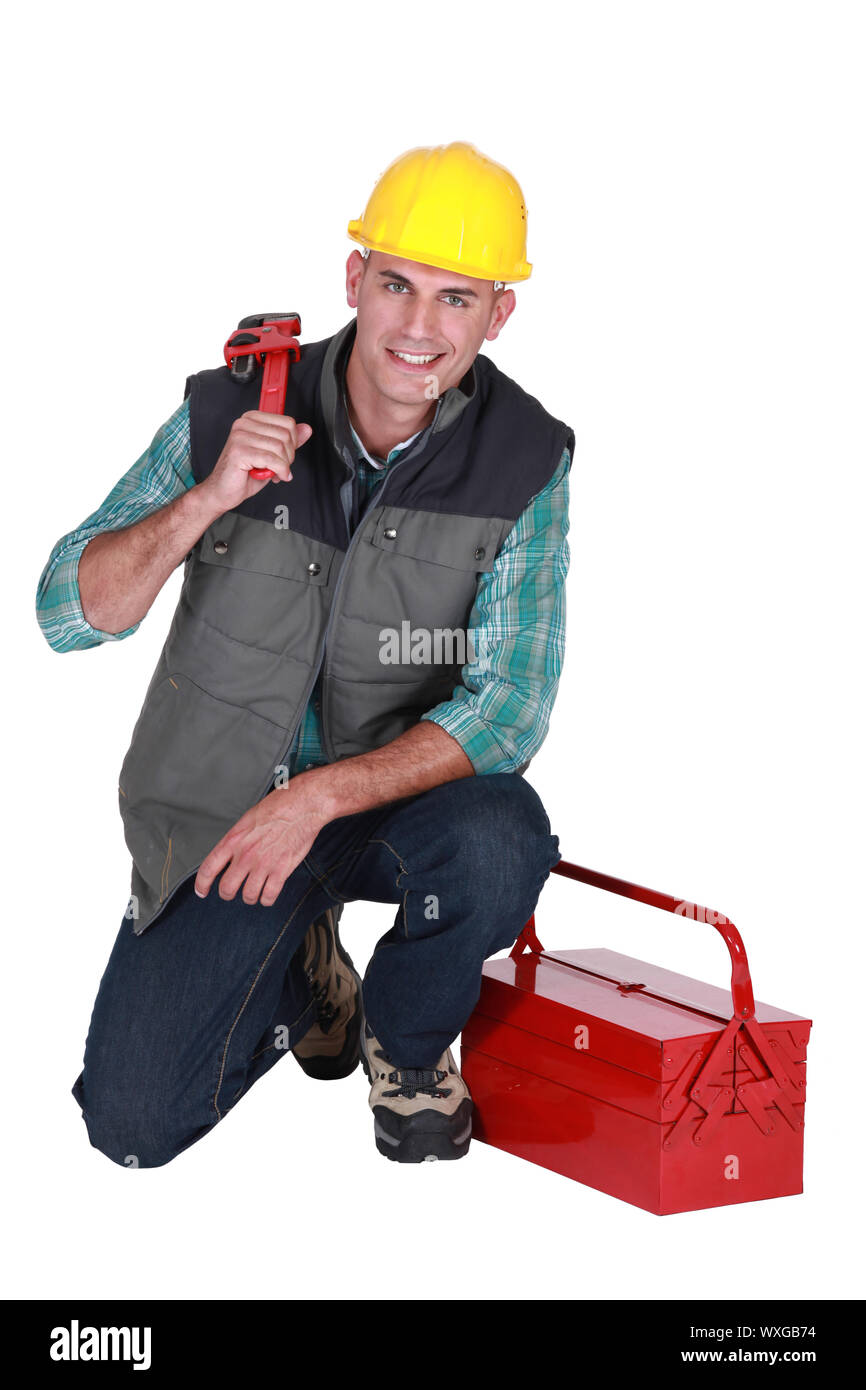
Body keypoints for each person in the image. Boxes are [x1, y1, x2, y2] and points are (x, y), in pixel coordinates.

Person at [35, 141, 573, 1167]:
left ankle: (405, 1043)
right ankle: (306, 976)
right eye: (396, 286)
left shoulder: (524, 460)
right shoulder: (237, 404)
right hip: (221, 818)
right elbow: (68, 610)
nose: (419, 329)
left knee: (505, 834)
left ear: (498, 315)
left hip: (386, 812)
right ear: (352, 281)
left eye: (456, 299)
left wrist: (318, 799)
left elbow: (508, 705)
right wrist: (203, 501)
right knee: (134, 1124)